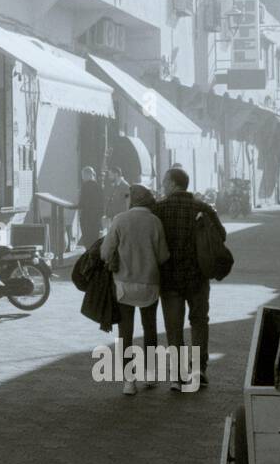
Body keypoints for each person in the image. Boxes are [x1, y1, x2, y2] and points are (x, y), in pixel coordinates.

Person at [152, 167, 226, 391]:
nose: (163, 184)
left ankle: (177, 375)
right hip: (198, 277)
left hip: (170, 278)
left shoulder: (159, 209)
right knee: (199, 321)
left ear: (173, 183)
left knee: (173, 327)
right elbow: (221, 236)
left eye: (165, 181)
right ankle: (199, 369)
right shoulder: (202, 207)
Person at [100, 185, 169, 396]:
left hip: (124, 284)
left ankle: (128, 382)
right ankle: (149, 374)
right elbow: (163, 255)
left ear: (132, 200)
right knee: (150, 329)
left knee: (125, 333)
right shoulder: (155, 222)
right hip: (149, 284)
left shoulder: (120, 220)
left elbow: (105, 252)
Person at [76, 166, 104, 246]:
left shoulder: (85, 186)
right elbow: (101, 201)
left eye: (83, 175)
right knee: (94, 237)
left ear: (87, 175)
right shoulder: (98, 186)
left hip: (87, 216)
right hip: (96, 217)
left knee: (87, 238)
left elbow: (82, 202)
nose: (82, 177)